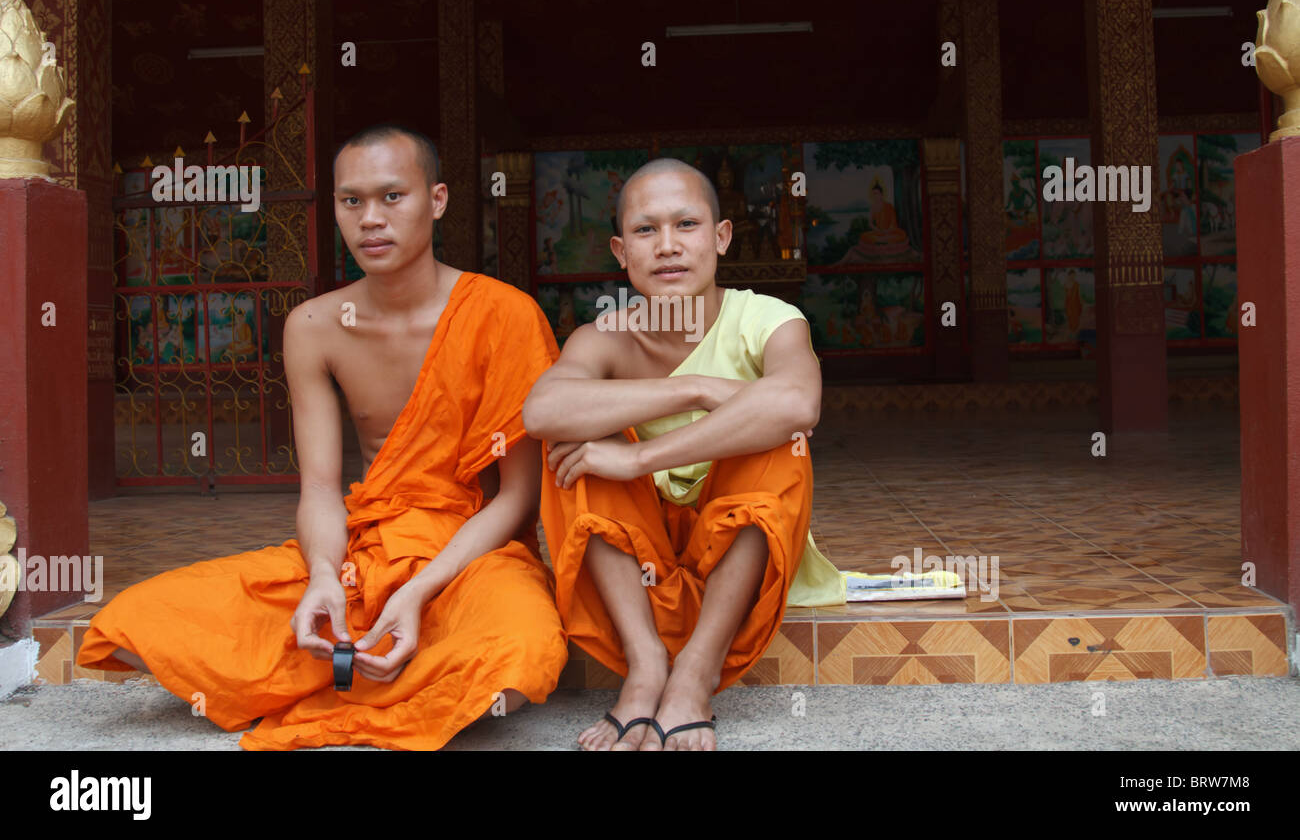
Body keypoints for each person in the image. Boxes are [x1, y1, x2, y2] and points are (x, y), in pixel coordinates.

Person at [78, 124, 568, 750]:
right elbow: (318, 488)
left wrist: (420, 589)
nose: (371, 219)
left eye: (394, 197)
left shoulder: (504, 313)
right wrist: (323, 579)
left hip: (473, 560)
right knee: (138, 623)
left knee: (518, 657)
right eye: (352, 201)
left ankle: (340, 677)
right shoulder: (314, 327)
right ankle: (394, 672)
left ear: (437, 200)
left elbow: (517, 499)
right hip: (364, 551)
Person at [524, 157, 822, 751]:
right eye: (645, 230)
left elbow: (796, 406)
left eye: (686, 225)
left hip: (734, 541)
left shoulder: (767, 320)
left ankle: (696, 671)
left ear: (721, 237)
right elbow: (542, 413)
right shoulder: (603, 337)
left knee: (779, 443)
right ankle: (646, 663)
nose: (667, 246)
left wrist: (639, 459)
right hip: (642, 545)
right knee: (574, 445)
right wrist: (695, 388)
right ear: (620, 250)